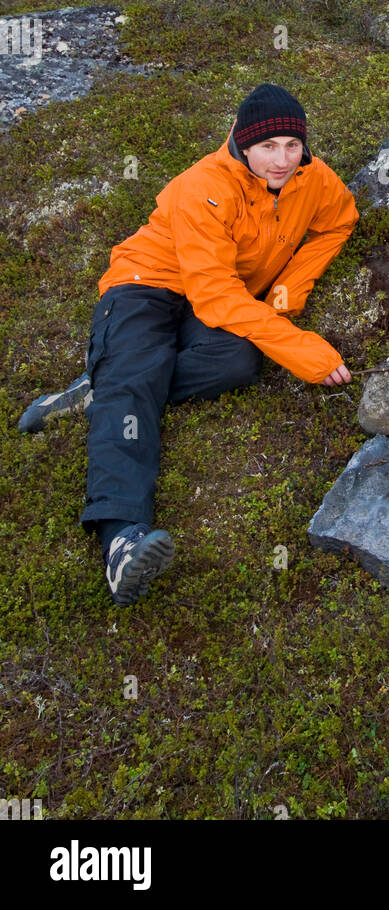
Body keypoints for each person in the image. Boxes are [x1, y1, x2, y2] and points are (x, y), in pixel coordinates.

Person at [18, 84, 358, 606]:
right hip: (146, 284)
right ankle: (121, 539)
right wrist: (296, 345)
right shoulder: (202, 186)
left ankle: (105, 388)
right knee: (135, 382)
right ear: (242, 144)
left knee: (239, 360)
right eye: (269, 147)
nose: (282, 159)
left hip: (219, 288)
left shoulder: (314, 178)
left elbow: (339, 221)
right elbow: (215, 294)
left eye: (293, 145)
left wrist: (289, 291)